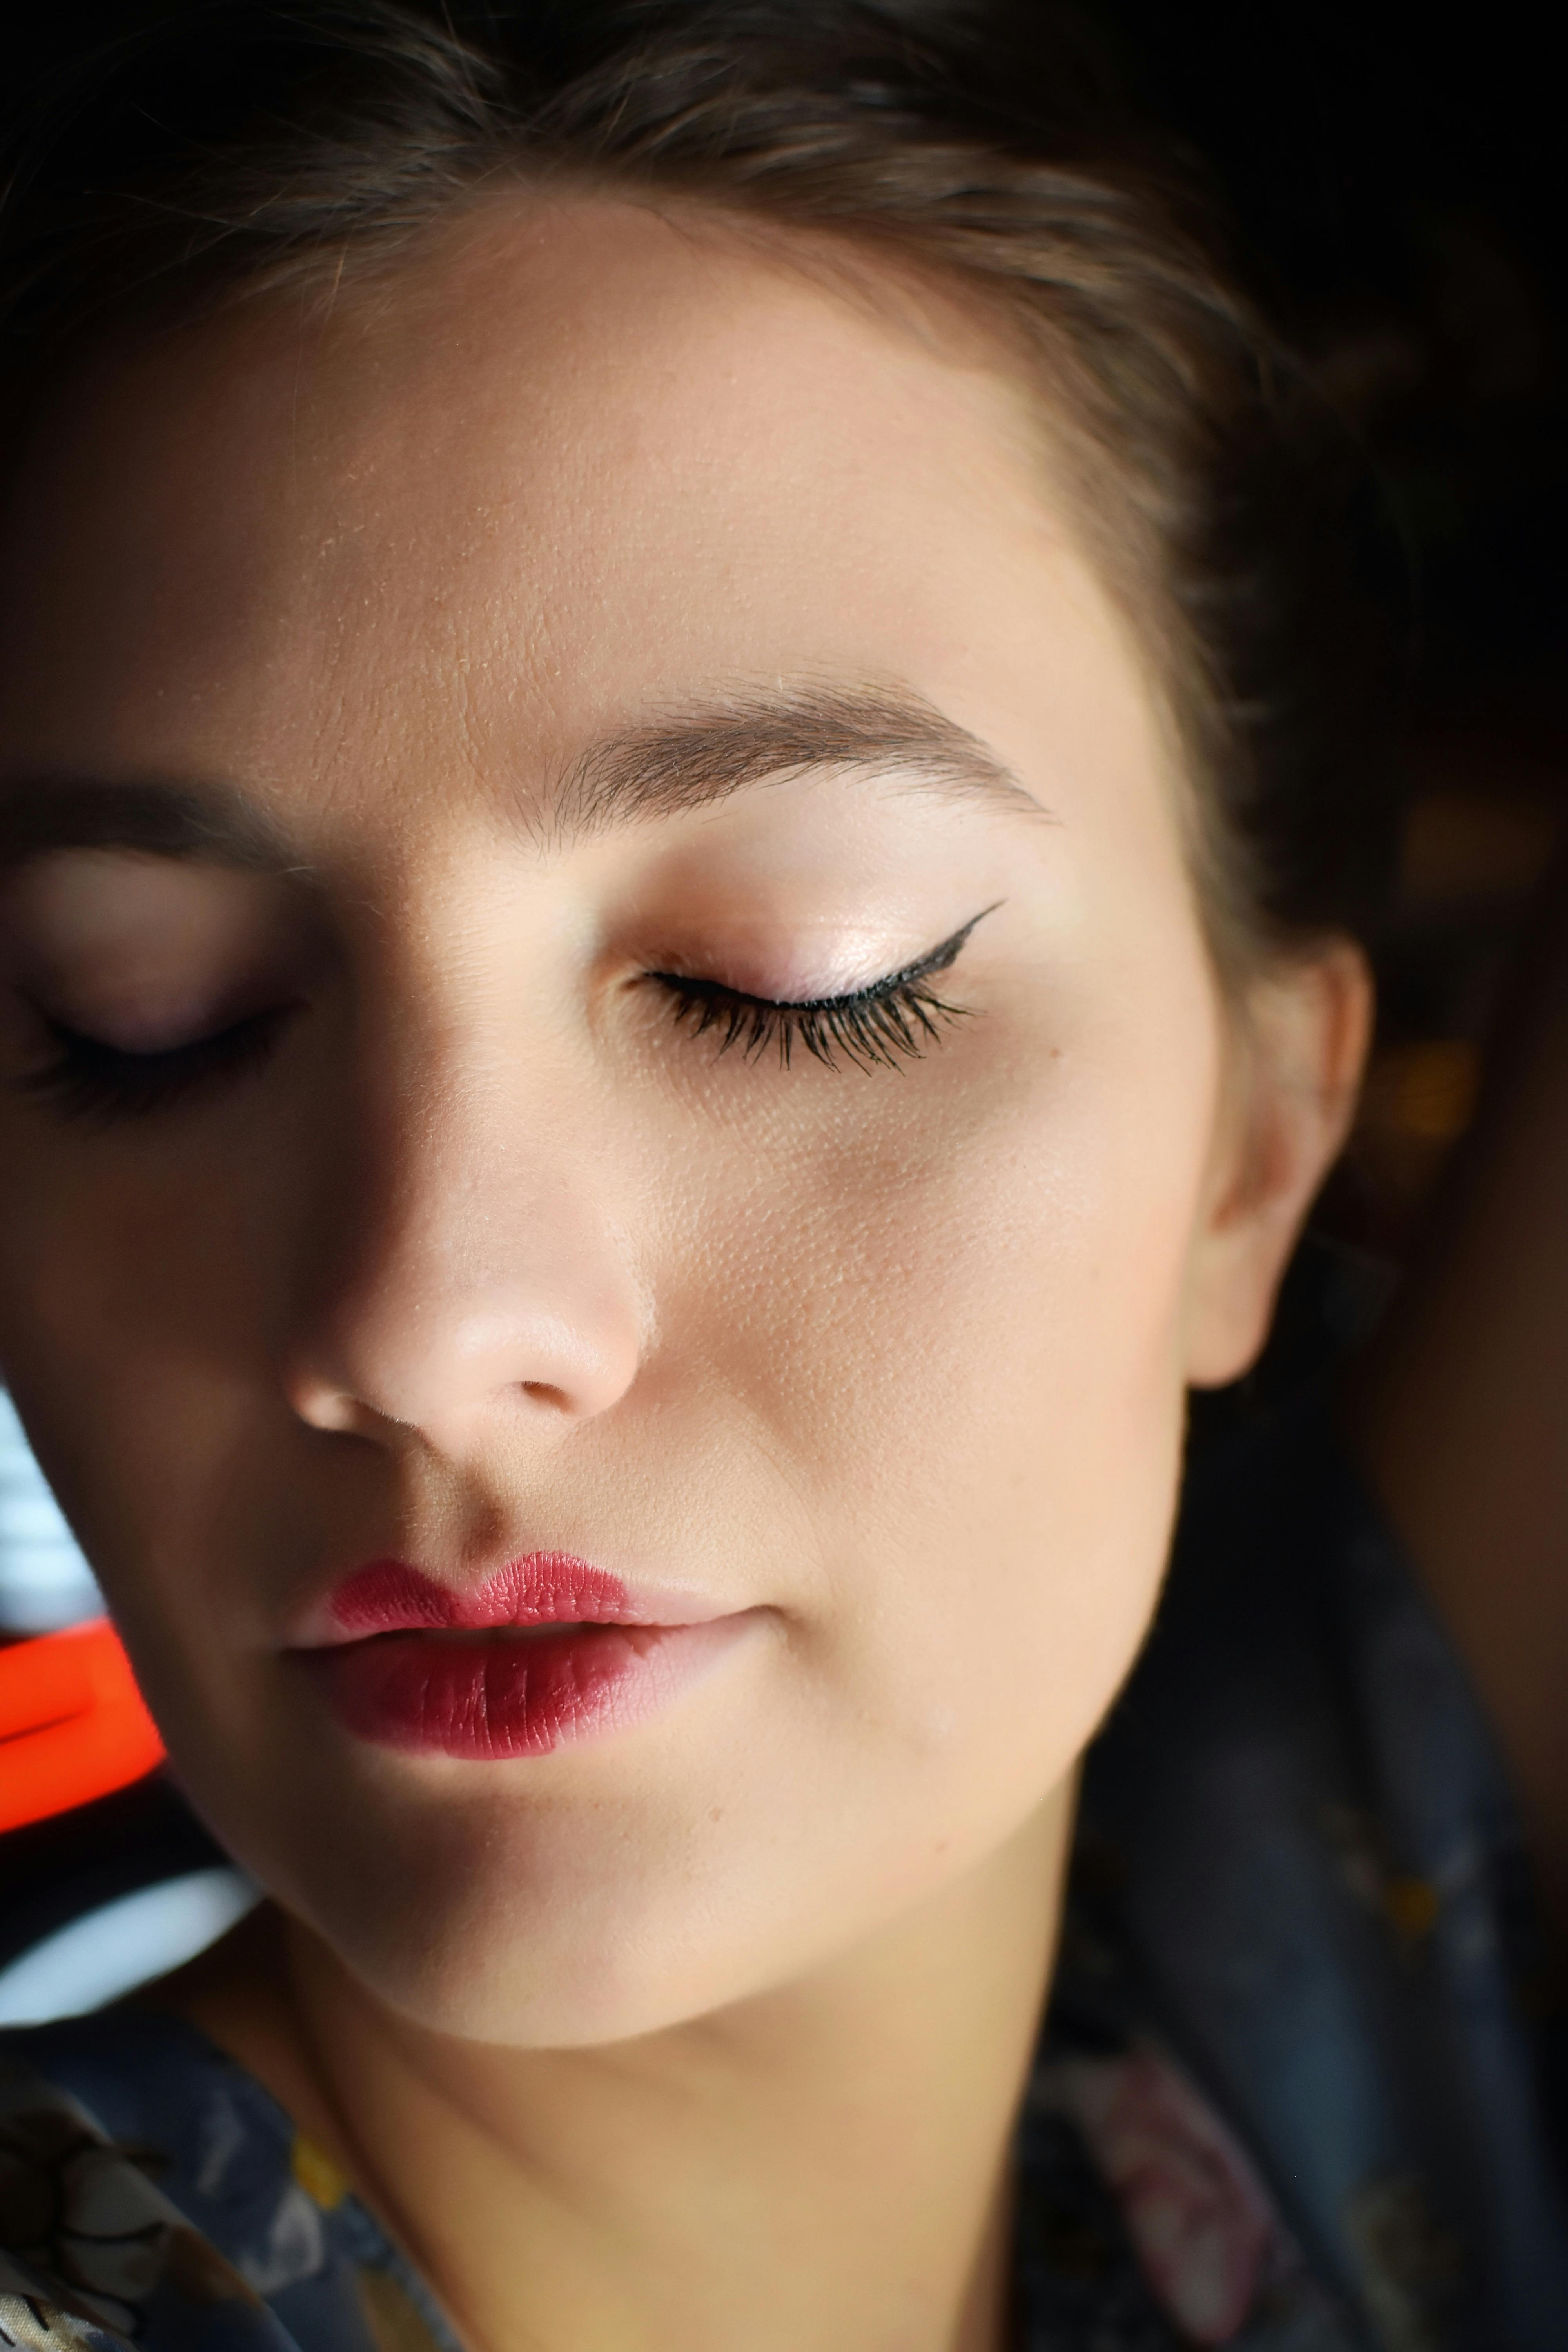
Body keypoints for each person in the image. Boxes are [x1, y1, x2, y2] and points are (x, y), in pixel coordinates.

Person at [0, 4, 1557, 2347]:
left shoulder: (1319, 2031)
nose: (428, 1323)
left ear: (1258, 1148)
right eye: (157, 1022)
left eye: (789, 981)